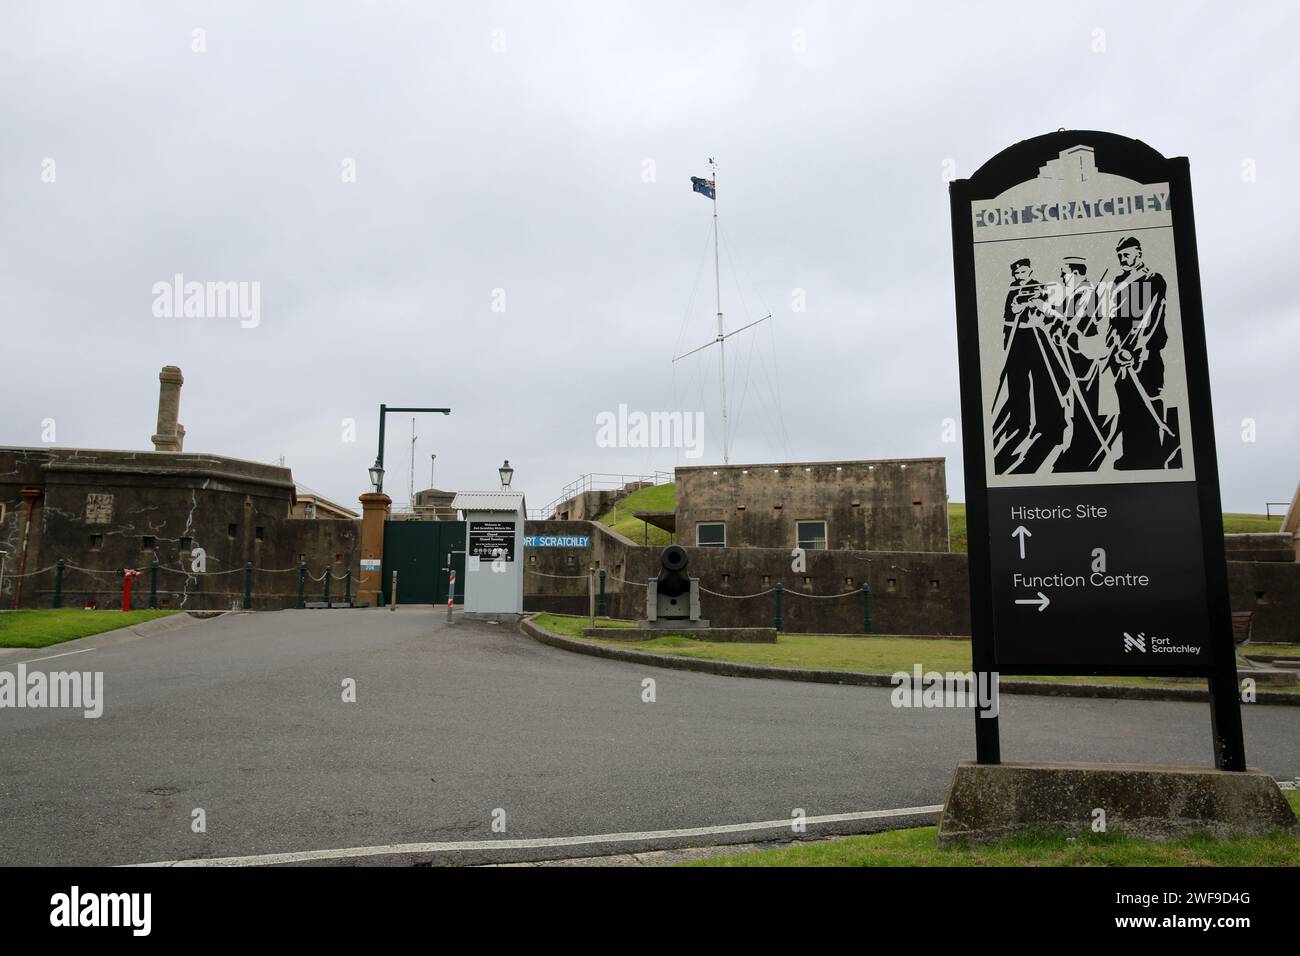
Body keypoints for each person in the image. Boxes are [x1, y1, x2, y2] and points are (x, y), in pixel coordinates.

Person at [1104, 236, 1179, 469]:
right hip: (1120, 353)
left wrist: (1139, 350)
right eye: (1120, 255)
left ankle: (1151, 456)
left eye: (1126, 254)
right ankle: (1131, 455)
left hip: (1145, 353)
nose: (1122, 259)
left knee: (1148, 401)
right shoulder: (1118, 282)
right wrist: (1115, 344)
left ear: (1138, 252)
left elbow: (1152, 318)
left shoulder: (1153, 280)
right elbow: (1115, 319)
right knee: (1127, 404)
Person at [991, 259, 1068, 474]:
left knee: (1042, 382)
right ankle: (1019, 423)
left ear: (1030, 271)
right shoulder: (1012, 290)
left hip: (1035, 338)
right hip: (1016, 339)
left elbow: (1049, 312)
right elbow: (1008, 316)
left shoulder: (1040, 287)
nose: (1020, 275)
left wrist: (1033, 307)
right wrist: (1014, 313)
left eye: (1023, 271)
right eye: (1016, 272)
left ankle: (1048, 426)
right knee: (1016, 382)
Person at [1047, 256, 1114, 471]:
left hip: (1085, 355)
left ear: (1076, 273)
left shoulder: (1090, 294)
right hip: (1073, 354)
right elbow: (1064, 322)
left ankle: (1085, 444)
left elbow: (1091, 324)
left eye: (1064, 273)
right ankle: (1080, 441)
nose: (1062, 277)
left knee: (1086, 398)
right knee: (1076, 400)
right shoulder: (1075, 295)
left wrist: (1070, 333)